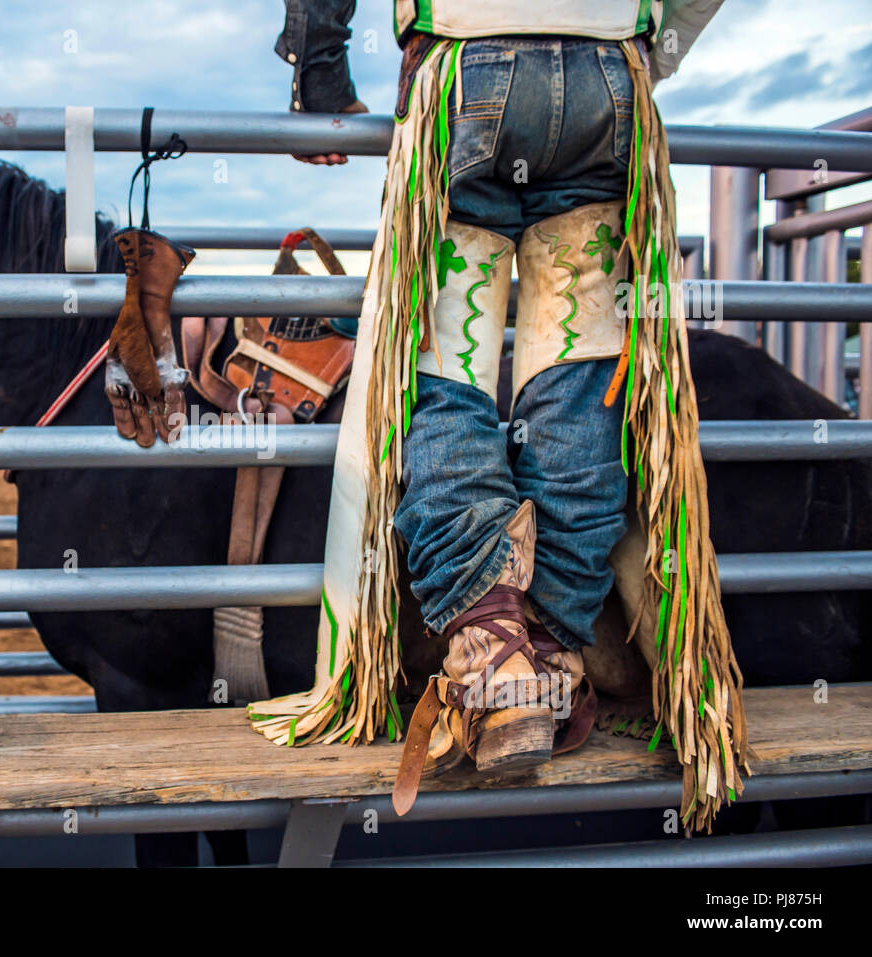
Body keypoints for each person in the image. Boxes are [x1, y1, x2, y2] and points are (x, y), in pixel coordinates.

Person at [250, 0, 747, 831]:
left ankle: (493, 650)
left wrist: (320, 74)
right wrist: (645, 47)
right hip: (609, 79)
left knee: (447, 365)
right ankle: (549, 645)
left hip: (467, 62)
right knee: (583, 374)